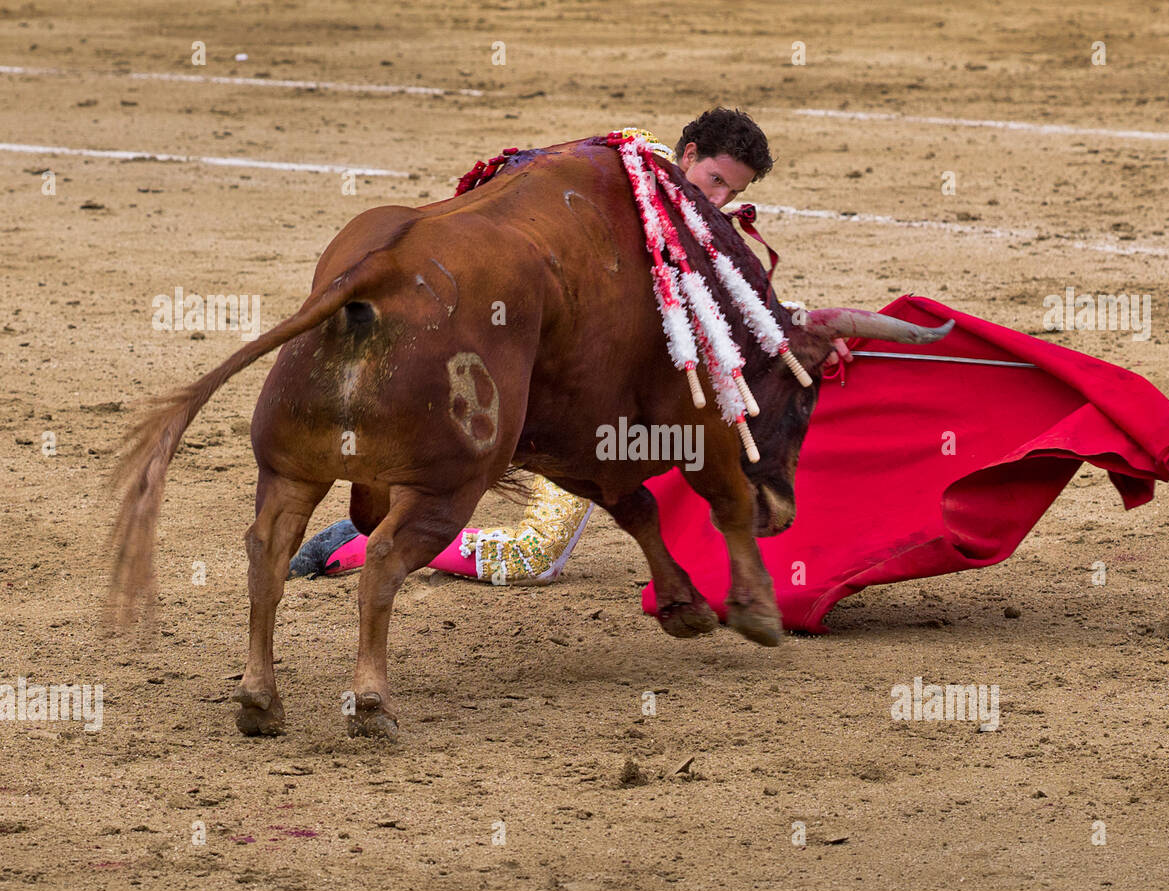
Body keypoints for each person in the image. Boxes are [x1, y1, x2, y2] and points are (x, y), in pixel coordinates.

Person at [291, 108, 839, 585]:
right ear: (688, 153)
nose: (719, 200)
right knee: (535, 553)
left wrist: (801, 335)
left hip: (561, 380)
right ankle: (357, 545)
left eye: (733, 193)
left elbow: (737, 316)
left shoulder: (669, 210)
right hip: (572, 395)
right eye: (715, 180)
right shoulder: (635, 198)